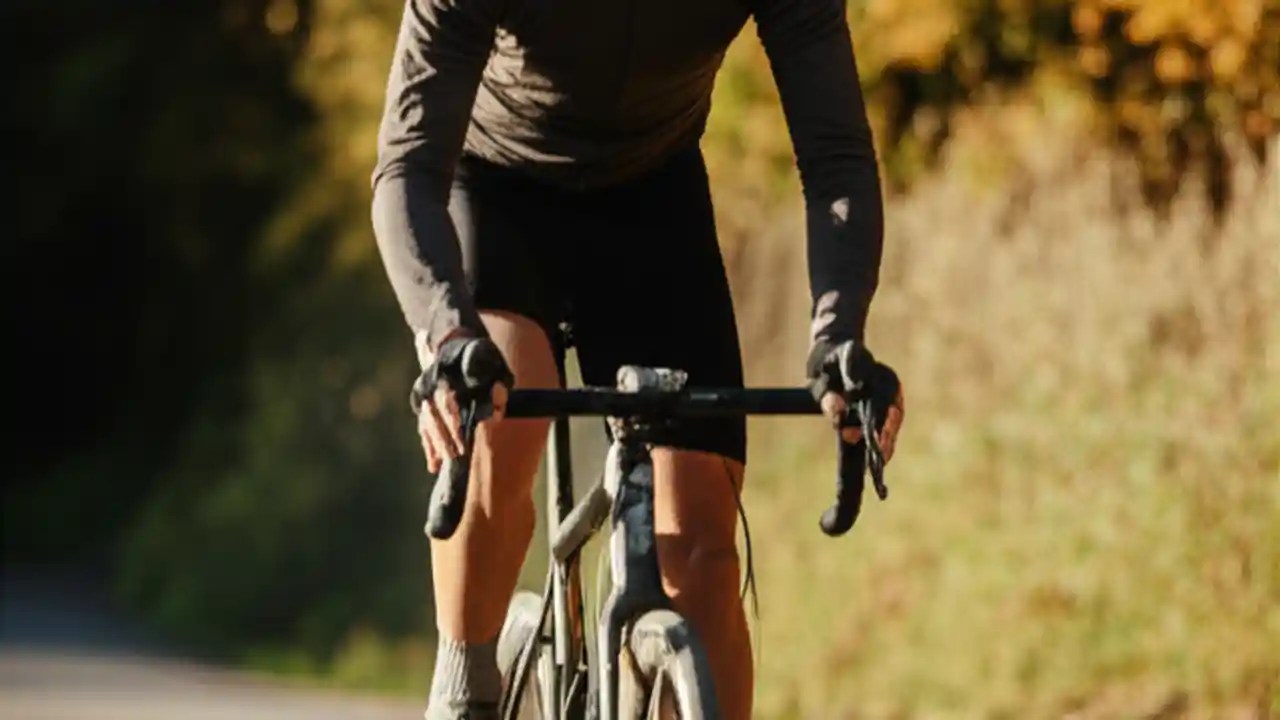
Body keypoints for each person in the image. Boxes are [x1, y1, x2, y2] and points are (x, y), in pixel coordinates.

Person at [371, 0, 906, 716]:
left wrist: (838, 335)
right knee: (494, 425)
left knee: (703, 551)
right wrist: (446, 336)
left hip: (652, 198)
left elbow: (836, 159)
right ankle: (465, 688)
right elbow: (407, 166)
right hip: (494, 187)